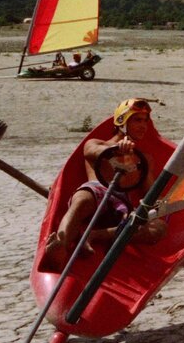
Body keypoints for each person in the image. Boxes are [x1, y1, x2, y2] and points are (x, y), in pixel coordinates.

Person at [42, 97, 167, 269]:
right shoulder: (95, 143)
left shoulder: (144, 159)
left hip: (121, 206)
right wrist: (116, 150)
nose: (143, 126)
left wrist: (158, 207)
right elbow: (93, 152)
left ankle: (95, 235)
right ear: (122, 121)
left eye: (146, 121)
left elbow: (151, 194)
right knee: (83, 198)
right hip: (96, 193)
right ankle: (60, 245)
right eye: (137, 120)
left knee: (158, 229)